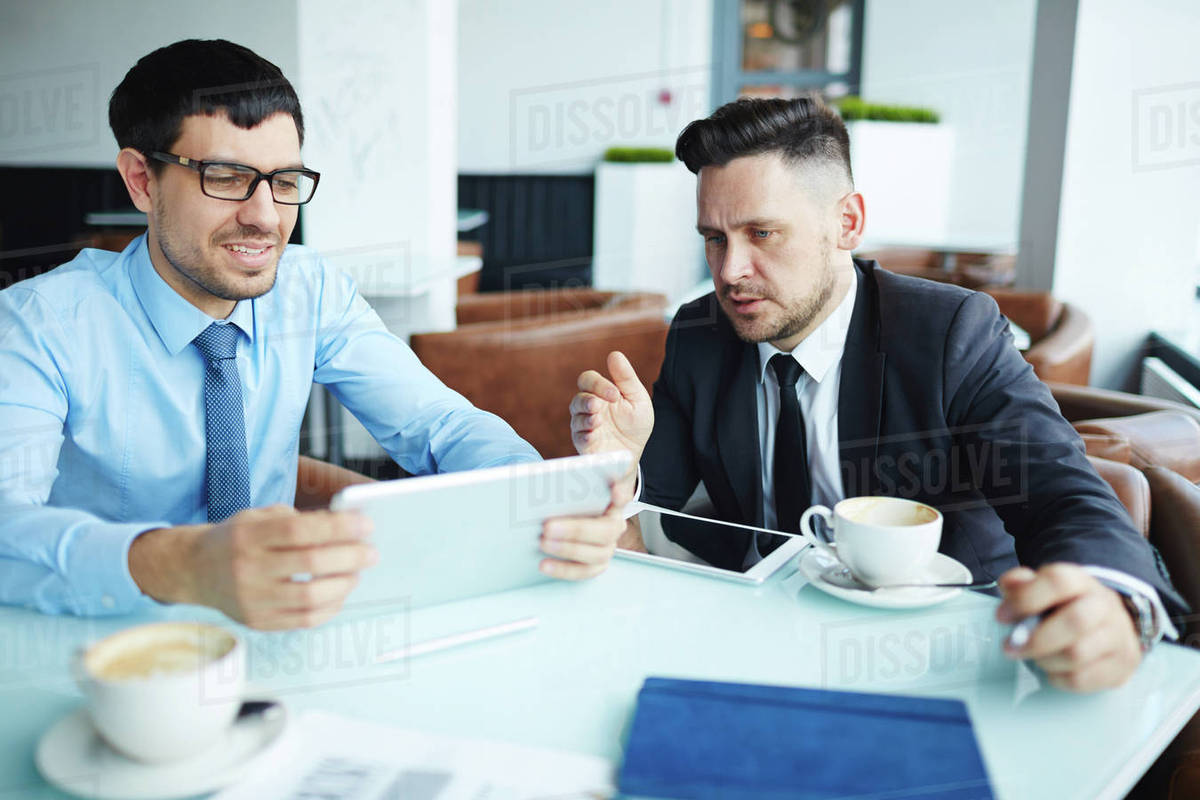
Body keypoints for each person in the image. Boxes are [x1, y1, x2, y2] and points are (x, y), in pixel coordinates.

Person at [0, 39, 626, 631]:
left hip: (282, 630)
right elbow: (7, 528)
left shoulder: (310, 290)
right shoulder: (38, 324)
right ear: (141, 180)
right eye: (224, 177)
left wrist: (539, 503)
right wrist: (182, 564)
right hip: (102, 637)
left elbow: (444, 426)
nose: (266, 216)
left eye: (284, 180)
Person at [571, 95, 1185, 692]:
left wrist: (1110, 602)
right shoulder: (701, 333)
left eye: (763, 233)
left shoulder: (948, 333)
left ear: (847, 223)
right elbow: (659, 511)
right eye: (714, 238)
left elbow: (1064, 494)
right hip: (756, 646)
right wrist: (621, 473)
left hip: (939, 654)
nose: (730, 270)